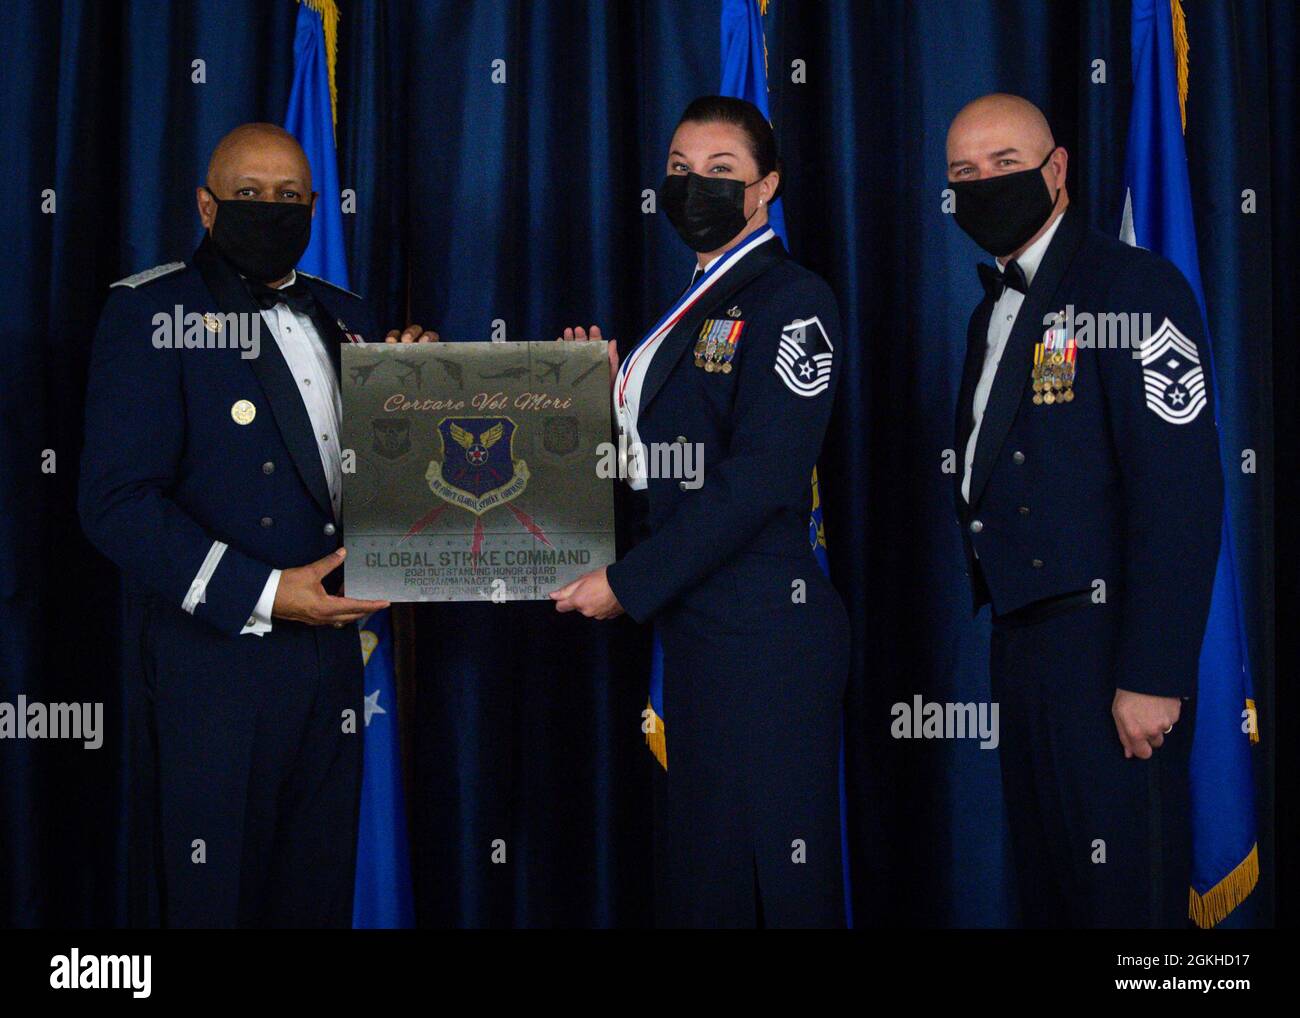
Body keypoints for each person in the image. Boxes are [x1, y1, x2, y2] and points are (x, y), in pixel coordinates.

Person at [78, 123, 436, 927]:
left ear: (315, 206)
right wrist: (266, 594)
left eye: (287, 196)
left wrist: (422, 388)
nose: (270, 208)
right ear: (206, 206)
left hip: (334, 659)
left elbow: (384, 479)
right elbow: (115, 502)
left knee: (314, 895)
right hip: (214, 668)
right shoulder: (153, 310)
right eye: (248, 194)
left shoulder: (348, 316)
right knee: (213, 899)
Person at [551, 96, 849, 928]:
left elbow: (762, 478)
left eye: (721, 171)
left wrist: (628, 582)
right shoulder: (692, 304)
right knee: (709, 881)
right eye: (680, 169)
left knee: (772, 881)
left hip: (764, 635)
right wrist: (593, 398)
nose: (695, 185)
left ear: (767, 187)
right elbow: (665, 470)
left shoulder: (793, 299)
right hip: (702, 629)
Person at [945, 94, 1223, 926]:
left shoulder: (1134, 287)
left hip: (1111, 659)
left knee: (1126, 902)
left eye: (1005, 163)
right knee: (1052, 896)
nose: (984, 184)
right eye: (964, 173)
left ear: (1057, 168)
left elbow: (1181, 492)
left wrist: (1154, 675)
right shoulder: (989, 314)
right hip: (1024, 647)